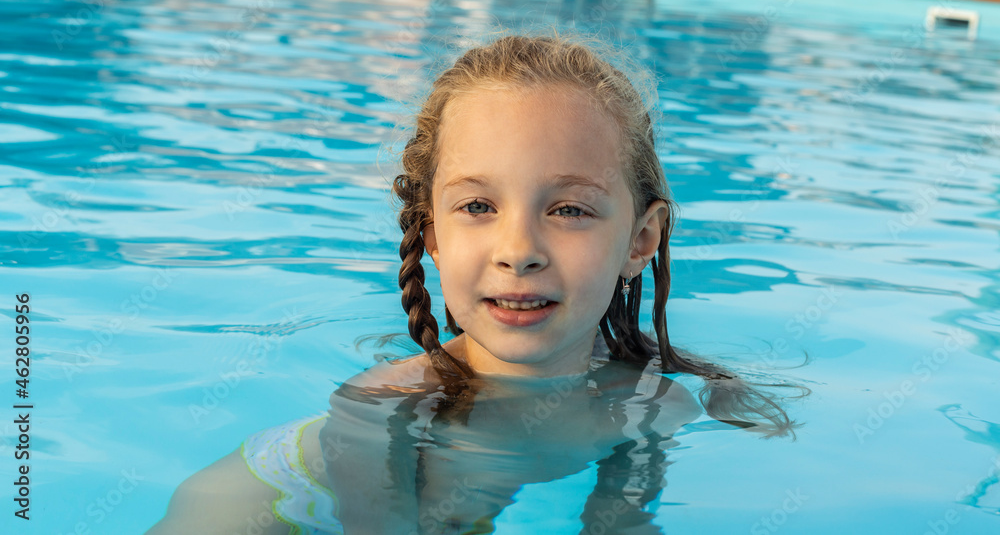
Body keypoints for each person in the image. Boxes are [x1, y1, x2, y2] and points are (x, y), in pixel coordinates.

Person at [145, 34, 801, 535]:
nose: (519, 251)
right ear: (431, 232)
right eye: (478, 206)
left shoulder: (653, 406)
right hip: (266, 506)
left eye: (569, 209)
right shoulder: (384, 407)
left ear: (640, 240)